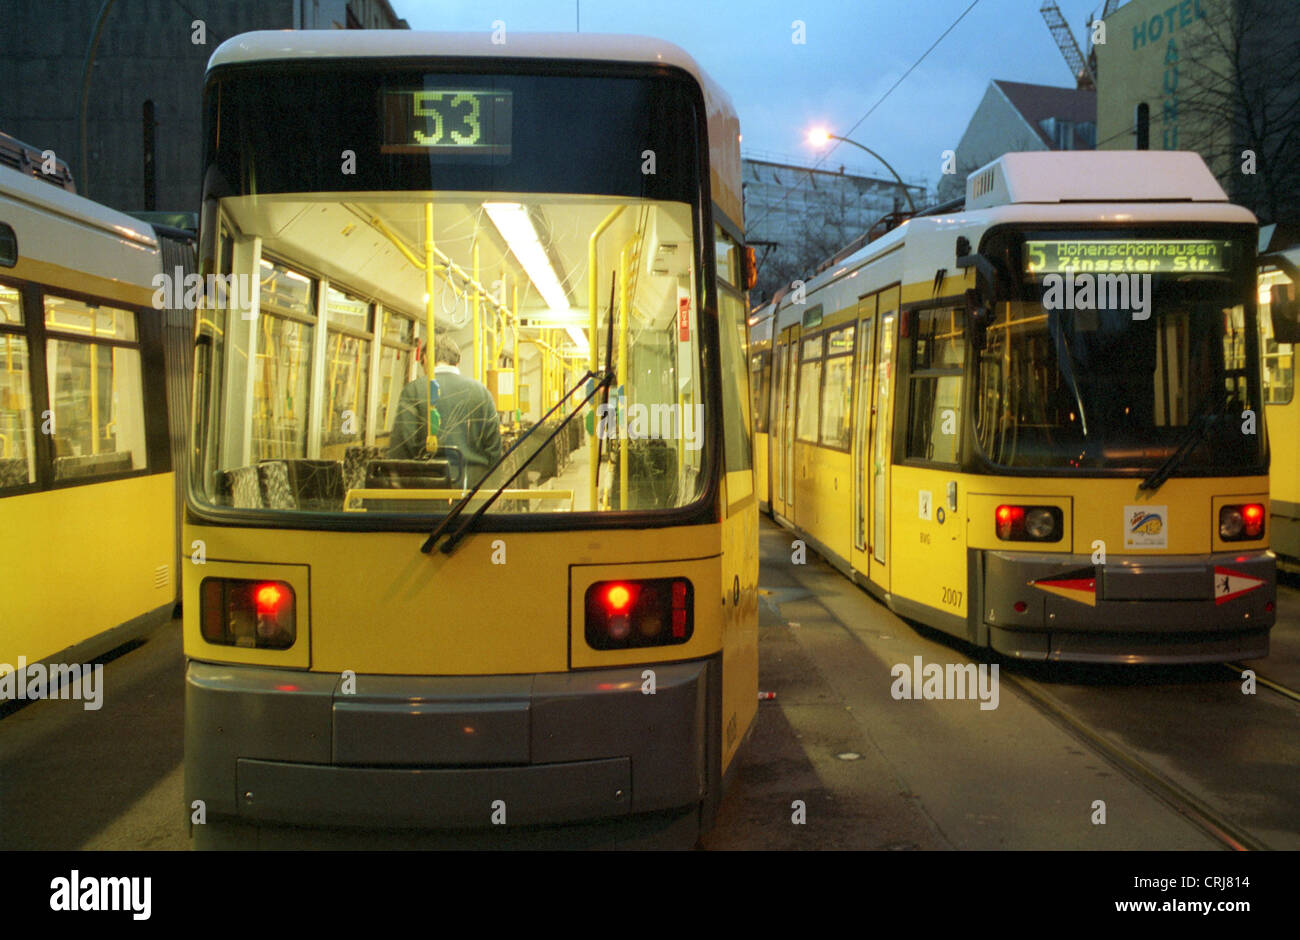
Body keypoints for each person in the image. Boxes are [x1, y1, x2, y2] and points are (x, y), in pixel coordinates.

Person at [388, 334, 503, 486]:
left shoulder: (413, 391)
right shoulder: (482, 392)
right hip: (474, 487)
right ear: (458, 361)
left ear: (425, 360)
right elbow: (494, 448)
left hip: (427, 484)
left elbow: (401, 446)